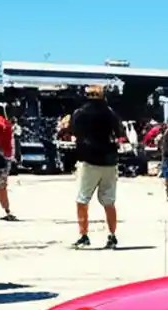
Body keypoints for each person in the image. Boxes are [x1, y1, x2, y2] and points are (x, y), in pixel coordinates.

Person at [70, 85, 125, 248]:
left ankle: (84, 236)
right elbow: (120, 132)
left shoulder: (80, 113)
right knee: (109, 201)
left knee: (82, 199)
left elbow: (75, 132)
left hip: (89, 160)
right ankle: (112, 236)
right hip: (109, 161)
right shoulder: (111, 113)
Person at [0, 102, 16, 221]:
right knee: (1, 186)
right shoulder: (4, 124)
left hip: (1, 156)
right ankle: (6, 210)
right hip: (4, 157)